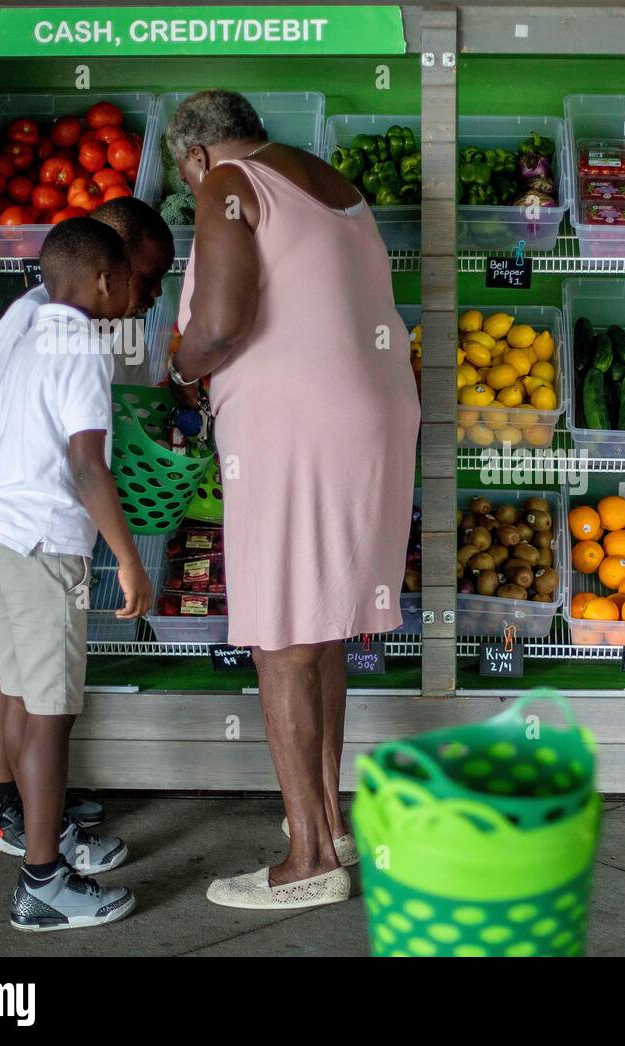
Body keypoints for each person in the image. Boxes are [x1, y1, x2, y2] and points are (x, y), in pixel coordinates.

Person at [164, 90, 418, 910]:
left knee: (279, 636)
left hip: (296, 427)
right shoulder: (331, 183)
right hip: (373, 414)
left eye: (185, 174)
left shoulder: (225, 182)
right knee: (319, 626)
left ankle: (307, 857)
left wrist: (181, 368)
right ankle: (330, 827)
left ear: (197, 155)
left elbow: (223, 319)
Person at [0, 198, 174, 860]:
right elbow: (71, 458)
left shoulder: (48, 324)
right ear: (111, 268)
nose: (151, 294)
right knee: (39, 698)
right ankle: (34, 851)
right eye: (148, 277)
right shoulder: (62, 332)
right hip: (27, 526)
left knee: (32, 695)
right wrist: (127, 561)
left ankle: (36, 810)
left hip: (8, 526)